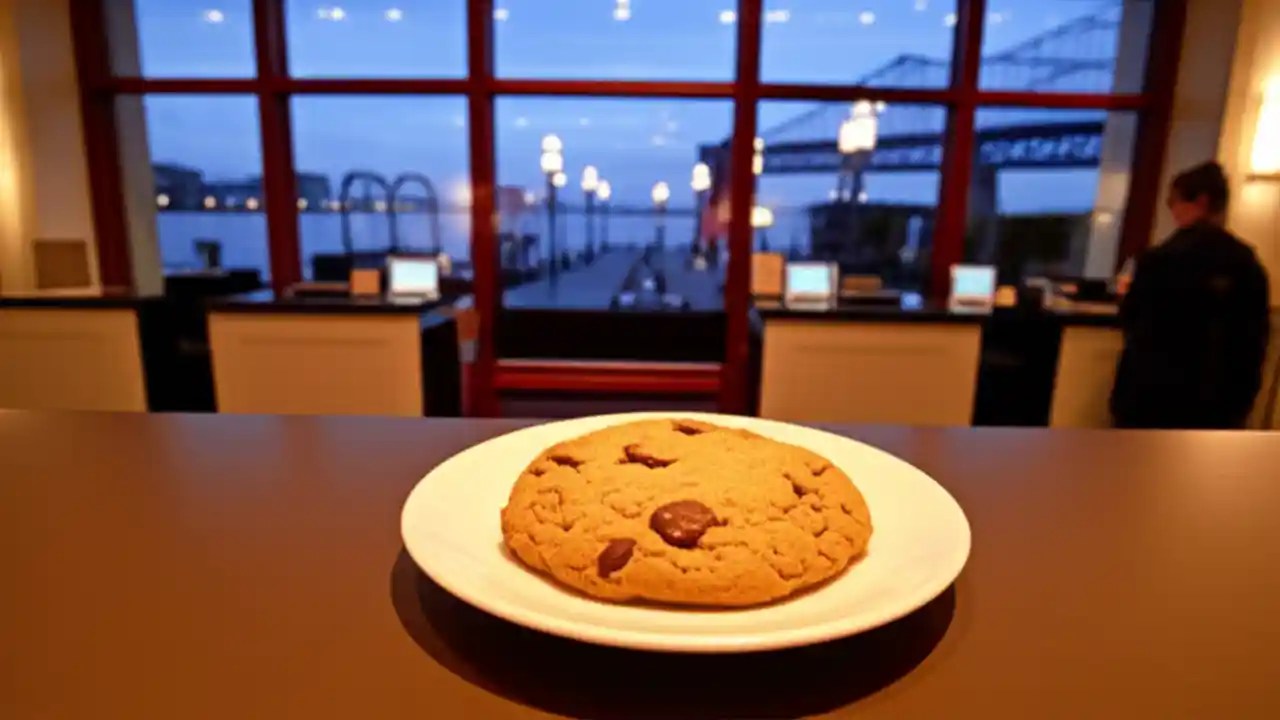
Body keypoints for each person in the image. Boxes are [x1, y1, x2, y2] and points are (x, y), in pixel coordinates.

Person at [1110, 162, 1271, 429]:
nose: (1171, 211)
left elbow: (1133, 321)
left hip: (1151, 398)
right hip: (1219, 403)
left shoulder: (1161, 259)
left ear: (1200, 202)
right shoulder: (1248, 265)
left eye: (1173, 202)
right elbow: (1254, 342)